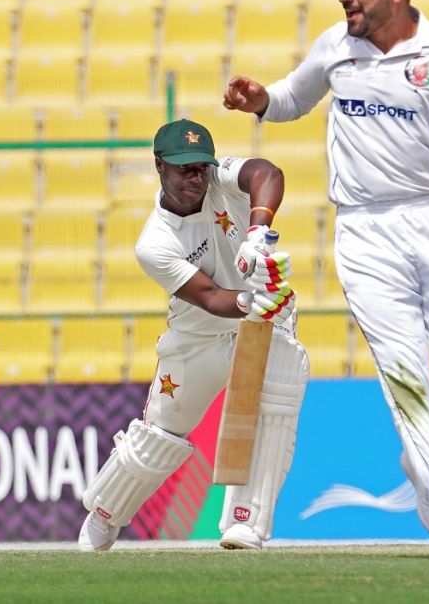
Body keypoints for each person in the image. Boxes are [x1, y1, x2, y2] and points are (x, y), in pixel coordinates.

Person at [223, 0, 429, 560]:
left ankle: (425, 464)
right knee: (406, 375)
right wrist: (258, 100)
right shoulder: (337, 45)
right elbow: (293, 98)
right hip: (364, 233)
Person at [79, 118, 308, 551]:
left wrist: (258, 232)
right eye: (184, 169)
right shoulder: (155, 242)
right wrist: (249, 302)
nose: (196, 178)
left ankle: (247, 523)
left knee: (277, 401)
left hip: (265, 325)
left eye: (201, 167)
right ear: (159, 166)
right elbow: (212, 298)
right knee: (161, 434)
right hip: (198, 337)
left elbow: (268, 173)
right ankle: (105, 512)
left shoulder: (220, 179)